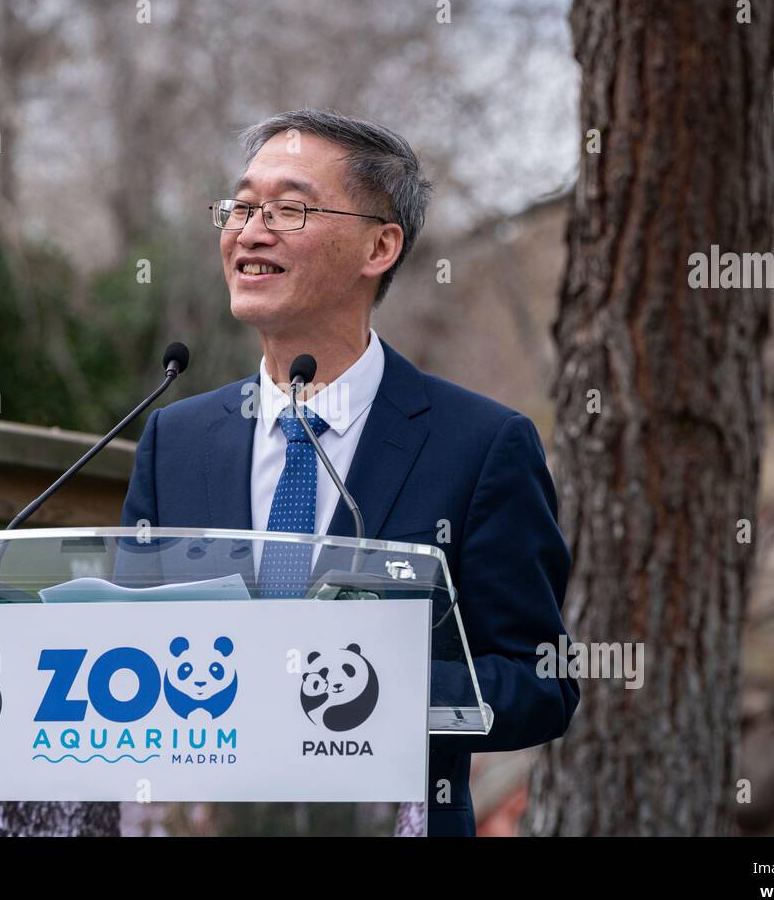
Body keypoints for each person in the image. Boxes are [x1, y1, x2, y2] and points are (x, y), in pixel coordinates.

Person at [121, 108, 578, 836]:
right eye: (240, 207)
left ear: (380, 246)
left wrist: (373, 700)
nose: (250, 229)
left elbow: (537, 681)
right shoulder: (175, 438)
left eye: (289, 208)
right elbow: (128, 650)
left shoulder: (482, 445)